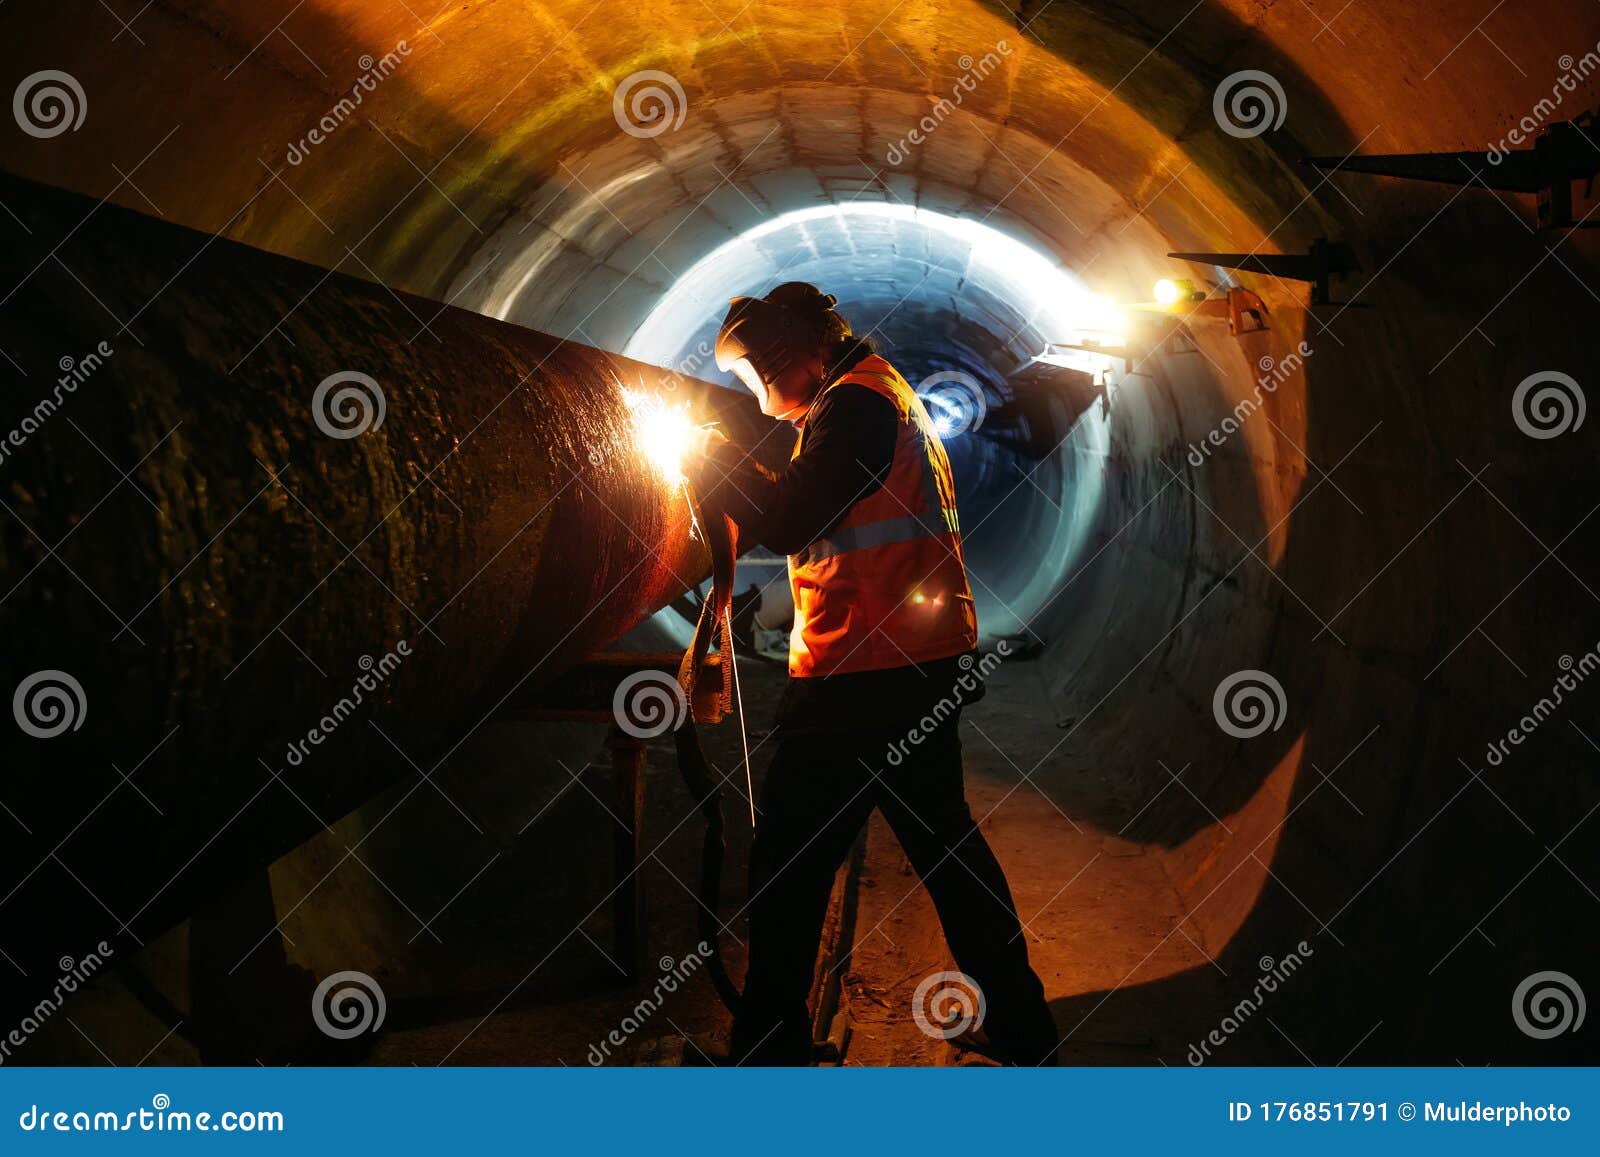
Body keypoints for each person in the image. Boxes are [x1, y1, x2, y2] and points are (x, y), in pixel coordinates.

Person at [684, 282, 1058, 1066]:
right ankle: (1027, 1032)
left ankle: (768, 1049)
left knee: (789, 862)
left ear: (803, 355)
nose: (758, 397)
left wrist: (713, 463)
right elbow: (825, 513)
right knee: (949, 857)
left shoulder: (856, 405)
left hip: (862, 678)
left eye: (759, 376)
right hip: (905, 665)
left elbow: (790, 517)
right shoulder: (869, 392)